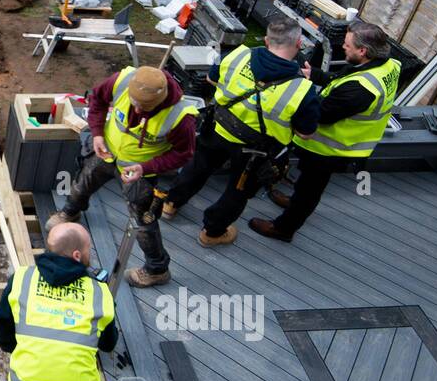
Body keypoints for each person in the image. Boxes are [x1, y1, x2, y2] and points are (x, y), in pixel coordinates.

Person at [163, 18, 319, 247]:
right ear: (298, 44)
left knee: (198, 166)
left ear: (266, 40)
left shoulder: (239, 55)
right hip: (256, 152)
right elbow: (306, 133)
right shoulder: (302, 89)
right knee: (238, 191)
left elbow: (210, 78)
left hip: (218, 129)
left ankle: (171, 204)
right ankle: (212, 232)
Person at [250, 22, 401, 243]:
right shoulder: (389, 65)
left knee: (310, 191)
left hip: (332, 148)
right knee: (307, 185)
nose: (343, 46)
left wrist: (297, 89)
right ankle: (293, 201)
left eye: (347, 44)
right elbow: (345, 78)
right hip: (345, 142)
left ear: (363, 51)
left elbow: (319, 113)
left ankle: (284, 228)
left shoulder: (359, 90)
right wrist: (315, 75)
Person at [49, 66, 196, 288]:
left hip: (138, 171)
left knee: (142, 221)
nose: (136, 110)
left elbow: (183, 154)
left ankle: (157, 269)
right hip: (106, 152)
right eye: (133, 103)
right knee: (82, 183)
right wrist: (97, 134)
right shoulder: (122, 80)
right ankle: (71, 212)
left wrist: (145, 168)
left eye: (143, 108)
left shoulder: (180, 118)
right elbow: (97, 100)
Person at [0, 222, 117, 381]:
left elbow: (1, 332)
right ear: (77, 255)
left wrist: (24, 348)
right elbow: (108, 345)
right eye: (89, 249)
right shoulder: (99, 293)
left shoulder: (22, 279)